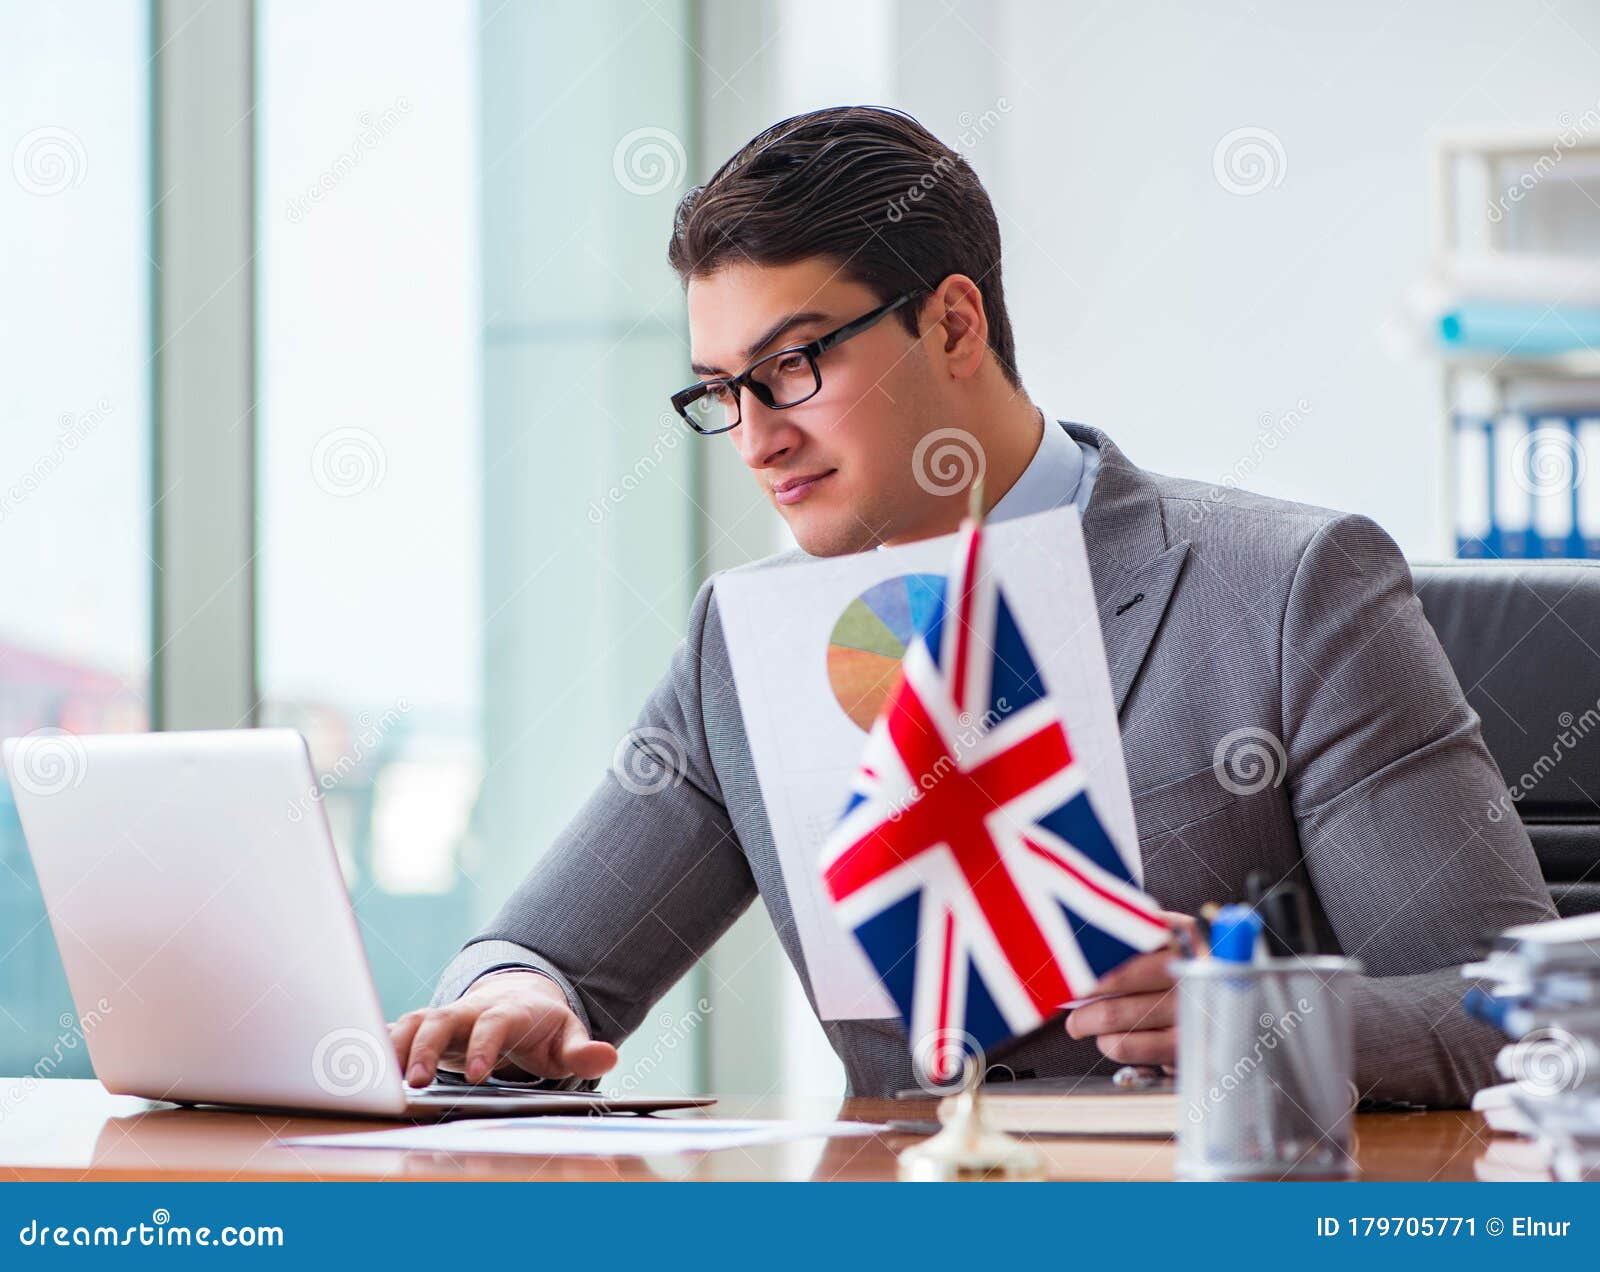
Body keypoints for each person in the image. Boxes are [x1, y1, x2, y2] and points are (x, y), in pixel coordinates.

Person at [389, 105, 1554, 1107]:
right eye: (720, 392)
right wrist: (512, 999)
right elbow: (542, 952)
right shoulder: (747, 646)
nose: (754, 438)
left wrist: (1266, 1020)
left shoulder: (1289, 588)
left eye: (793, 367)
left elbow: (1513, 1008)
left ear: (950, 324)